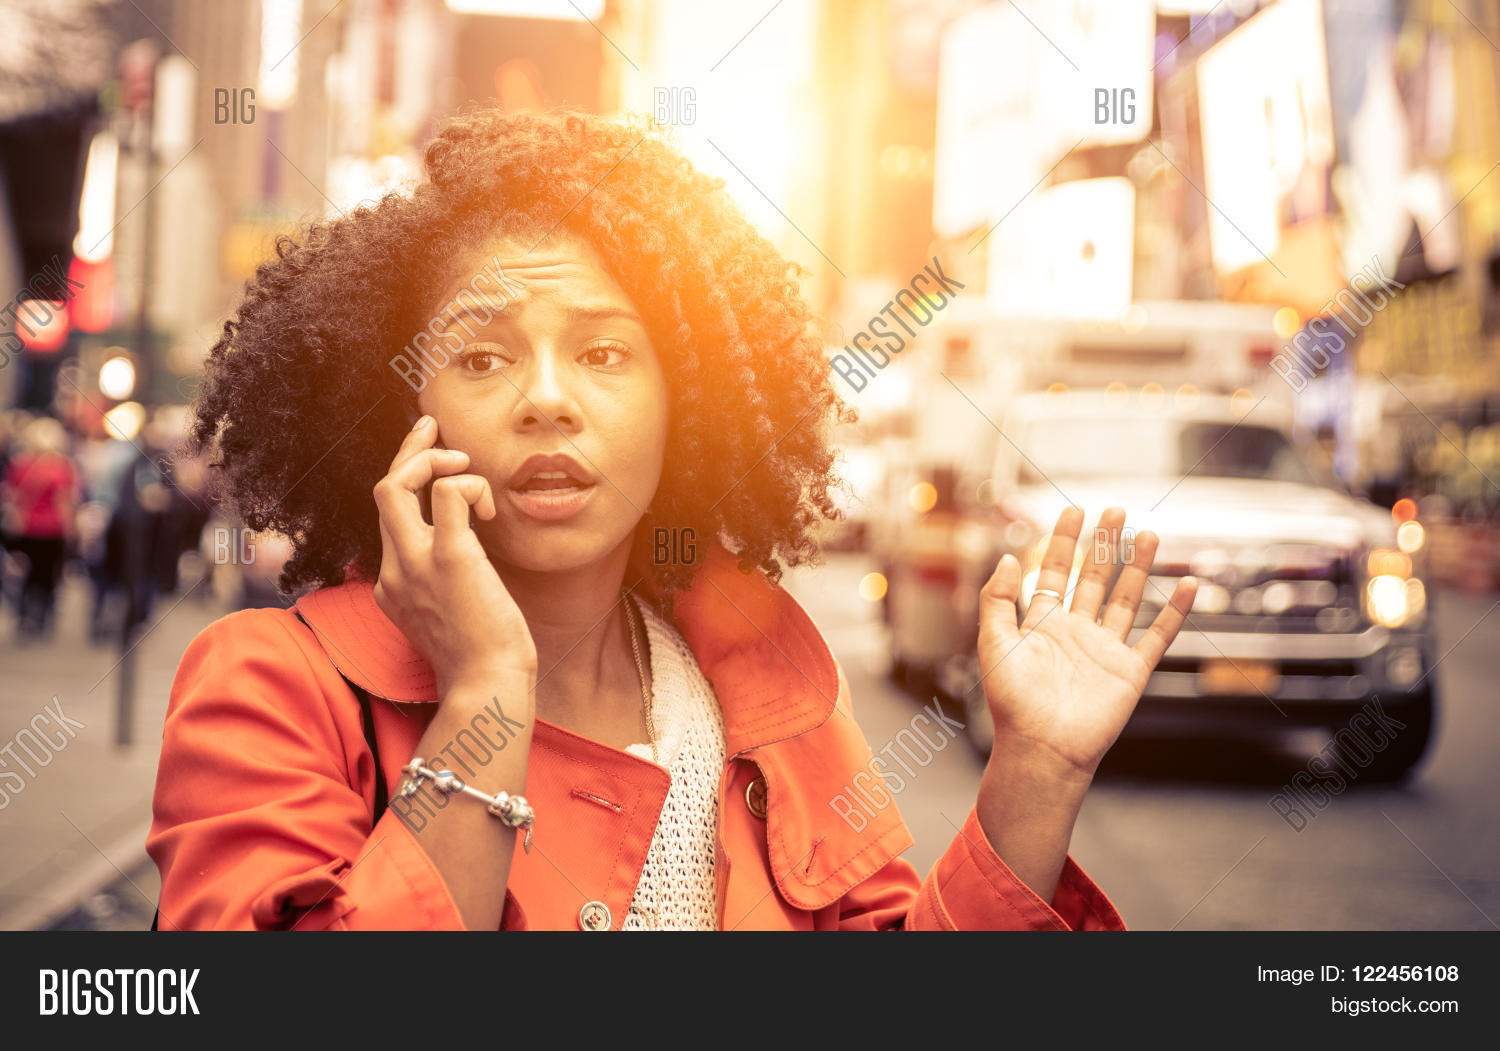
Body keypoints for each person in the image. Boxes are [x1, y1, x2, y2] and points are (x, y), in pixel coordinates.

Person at [147, 107, 1197, 931]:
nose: (547, 398)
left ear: (683, 406)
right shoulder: (272, 686)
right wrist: (486, 694)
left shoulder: (770, 685)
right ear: (398, 411)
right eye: (482, 355)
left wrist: (1035, 775)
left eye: (605, 352)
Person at [1, 415, 78, 638]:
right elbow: (64, 501)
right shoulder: (61, 467)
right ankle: (43, 614)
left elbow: (12, 498)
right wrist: (71, 530)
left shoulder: (20, 465)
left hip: (27, 529)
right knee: (48, 574)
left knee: (28, 573)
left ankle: (27, 614)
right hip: (52, 530)